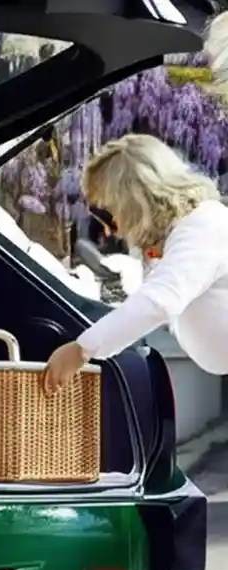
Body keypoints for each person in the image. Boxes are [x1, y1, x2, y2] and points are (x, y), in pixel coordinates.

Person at [43, 133, 228, 393]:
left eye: (107, 214)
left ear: (136, 200)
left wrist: (81, 350)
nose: (108, 231)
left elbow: (159, 301)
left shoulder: (203, 227)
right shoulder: (179, 235)